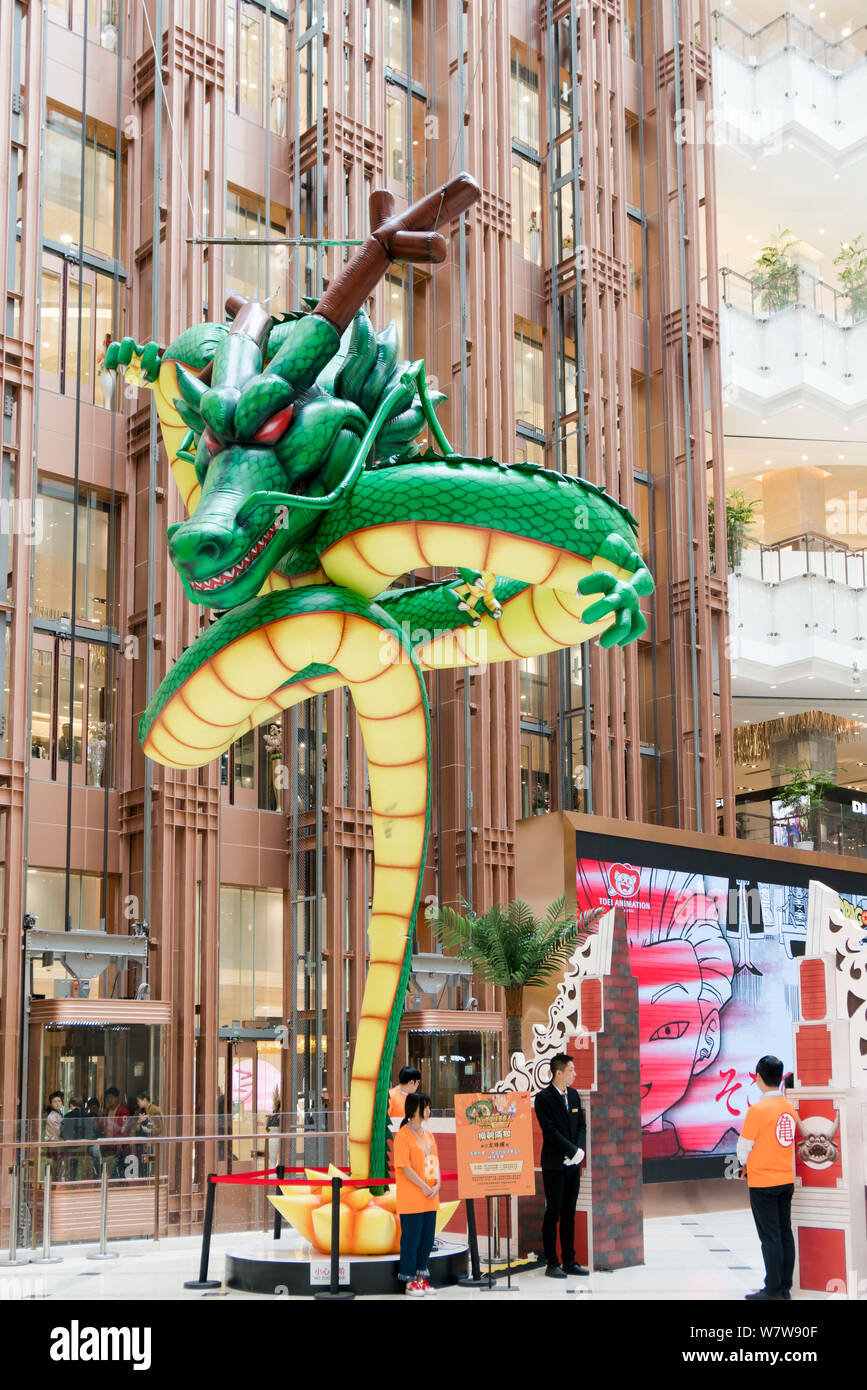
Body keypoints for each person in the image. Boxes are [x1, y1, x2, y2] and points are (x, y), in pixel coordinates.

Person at [737, 1054, 811, 1301]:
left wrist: (743, 1165)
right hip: (785, 1179)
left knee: (770, 1237)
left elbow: (743, 1149)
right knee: (784, 1233)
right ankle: (785, 1287)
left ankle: (772, 1289)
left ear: (758, 1078)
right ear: (779, 1079)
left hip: (762, 1182)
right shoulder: (788, 1107)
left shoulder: (757, 1110)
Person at [534, 1052, 588, 1279]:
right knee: (553, 1212)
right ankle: (551, 1262)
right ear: (558, 1073)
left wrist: (578, 1152)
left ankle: (569, 1260)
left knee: (569, 1213)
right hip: (554, 1165)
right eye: (571, 1070)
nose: (574, 1074)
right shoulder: (543, 1098)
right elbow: (550, 1131)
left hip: (572, 1166)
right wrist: (571, 1151)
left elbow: (581, 1126)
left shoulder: (574, 1096)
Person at [393, 1091, 440, 1296]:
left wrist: (437, 1185)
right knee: (411, 1240)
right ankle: (409, 1281)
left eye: (429, 1107)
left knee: (427, 1240)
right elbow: (405, 1168)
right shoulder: (403, 1135)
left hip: (430, 1197)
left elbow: (434, 1162)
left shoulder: (428, 1135)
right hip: (412, 1198)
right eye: (425, 1107)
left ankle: (422, 1279)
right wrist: (423, 1186)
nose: (429, 1111)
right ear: (414, 1110)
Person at [100, 1087, 131, 1178]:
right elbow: (102, 1125)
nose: (109, 1100)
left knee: (116, 1168)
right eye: (107, 1098)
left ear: (117, 1098)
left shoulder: (123, 1110)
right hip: (107, 1144)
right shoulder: (107, 1110)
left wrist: (120, 1143)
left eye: (111, 1097)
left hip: (118, 1145)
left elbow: (125, 1128)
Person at [134, 1092, 163, 1177]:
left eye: (139, 1101)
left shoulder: (155, 1110)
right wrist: (138, 1122)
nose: (137, 1103)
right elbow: (136, 1129)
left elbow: (159, 1129)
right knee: (144, 1164)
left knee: (153, 1163)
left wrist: (149, 1130)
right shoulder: (140, 1111)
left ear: (145, 1100)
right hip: (144, 1143)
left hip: (153, 1143)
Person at [61, 1096, 86, 1181]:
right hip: (84, 1147)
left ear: (71, 1105)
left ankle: (71, 1180)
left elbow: (62, 1132)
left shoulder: (67, 1116)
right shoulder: (86, 1115)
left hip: (70, 1147)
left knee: (71, 1164)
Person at [43, 1090, 64, 1180]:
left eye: (59, 1101)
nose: (57, 1103)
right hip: (54, 1144)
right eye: (55, 1102)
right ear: (51, 1104)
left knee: (59, 1165)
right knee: (56, 1166)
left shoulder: (59, 1114)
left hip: (58, 1144)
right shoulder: (52, 1116)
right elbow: (58, 1131)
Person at [83, 1096, 102, 1178]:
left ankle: (98, 1174)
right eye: (92, 1108)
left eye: (95, 1107)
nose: (94, 1109)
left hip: (101, 1142)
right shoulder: (86, 1117)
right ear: (89, 1108)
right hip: (89, 1143)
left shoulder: (102, 1116)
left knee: (96, 1152)